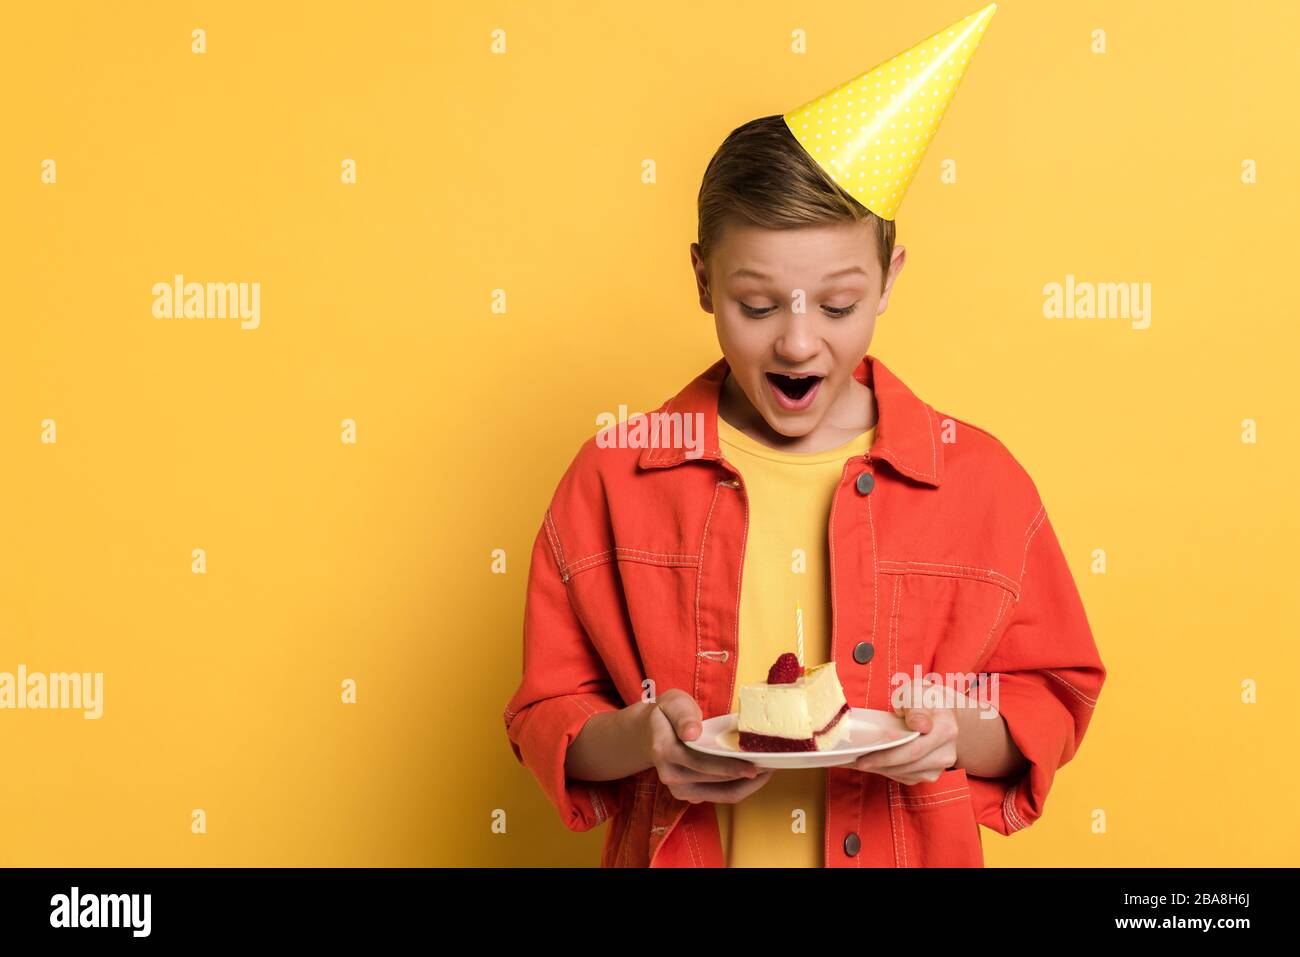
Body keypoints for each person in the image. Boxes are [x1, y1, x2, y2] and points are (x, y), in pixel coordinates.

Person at [503, 2, 1105, 867]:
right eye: (757, 304)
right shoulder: (612, 476)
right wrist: (645, 740)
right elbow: (545, 713)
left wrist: (953, 735)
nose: (796, 340)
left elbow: (1053, 696)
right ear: (703, 279)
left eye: (838, 304)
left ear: (890, 278)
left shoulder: (980, 482)